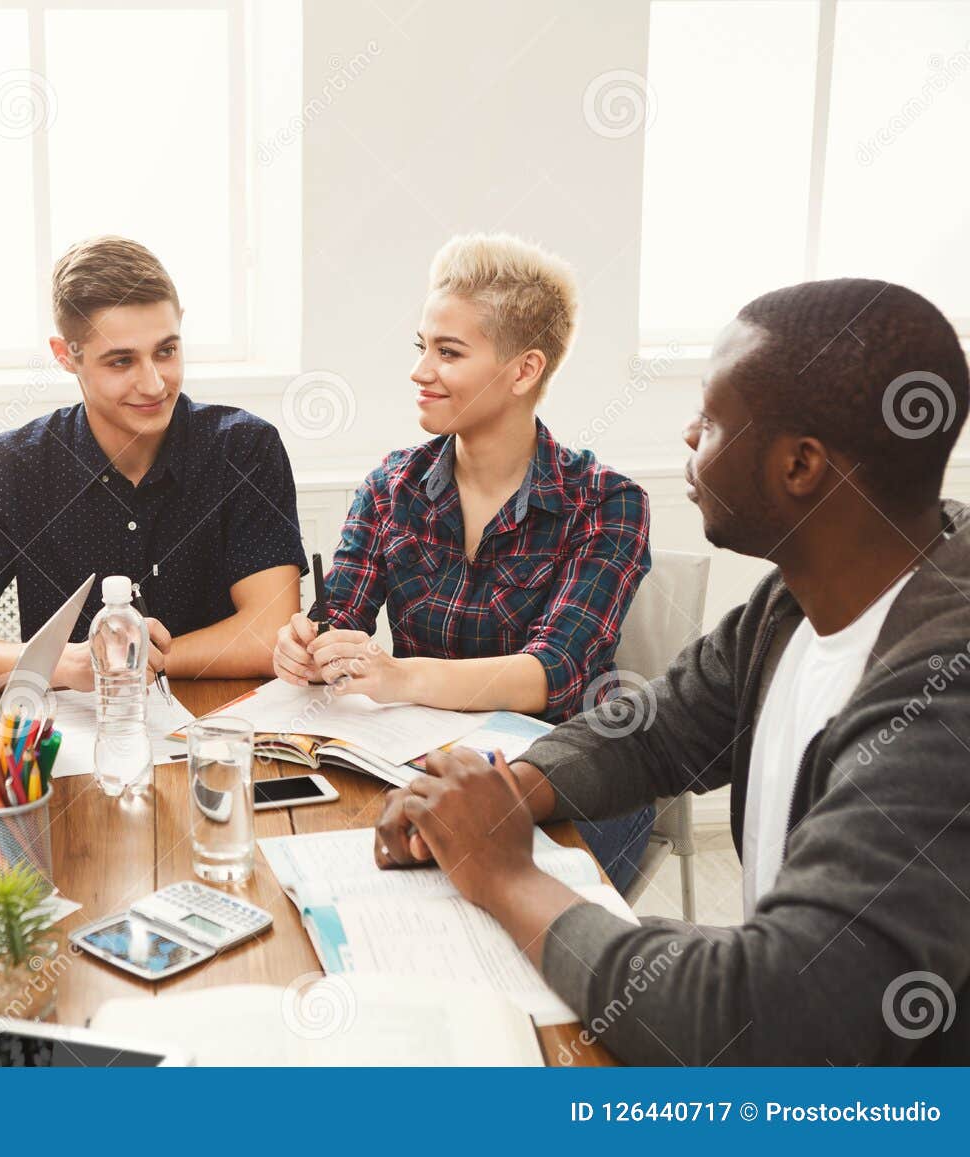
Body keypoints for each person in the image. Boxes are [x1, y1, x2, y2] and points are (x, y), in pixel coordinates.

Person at [377, 277, 970, 1064]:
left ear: (801, 465)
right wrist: (500, 794)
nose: (690, 435)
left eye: (714, 418)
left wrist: (506, 875)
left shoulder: (939, 704)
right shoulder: (793, 605)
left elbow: (752, 1014)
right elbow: (655, 730)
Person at [273, 233, 654, 888]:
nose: (421, 371)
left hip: (572, 770)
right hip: (428, 762)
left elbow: (551, 673)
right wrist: (308, 646)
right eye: (422, 346)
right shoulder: (391, 487)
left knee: (510, 915)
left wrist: (400, 677)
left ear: (523, 370)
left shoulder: (607, 503)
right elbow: (342, 618)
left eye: (448, 352)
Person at [0, 236, 306, 691]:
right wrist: (62, 664)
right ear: (65, 356)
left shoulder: (246, 449)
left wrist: (127, 663)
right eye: (121, 361)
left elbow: (269, 634)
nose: (154, 384)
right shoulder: (7, 468)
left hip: (216, 731)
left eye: (167, 351)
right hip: (76, 736)